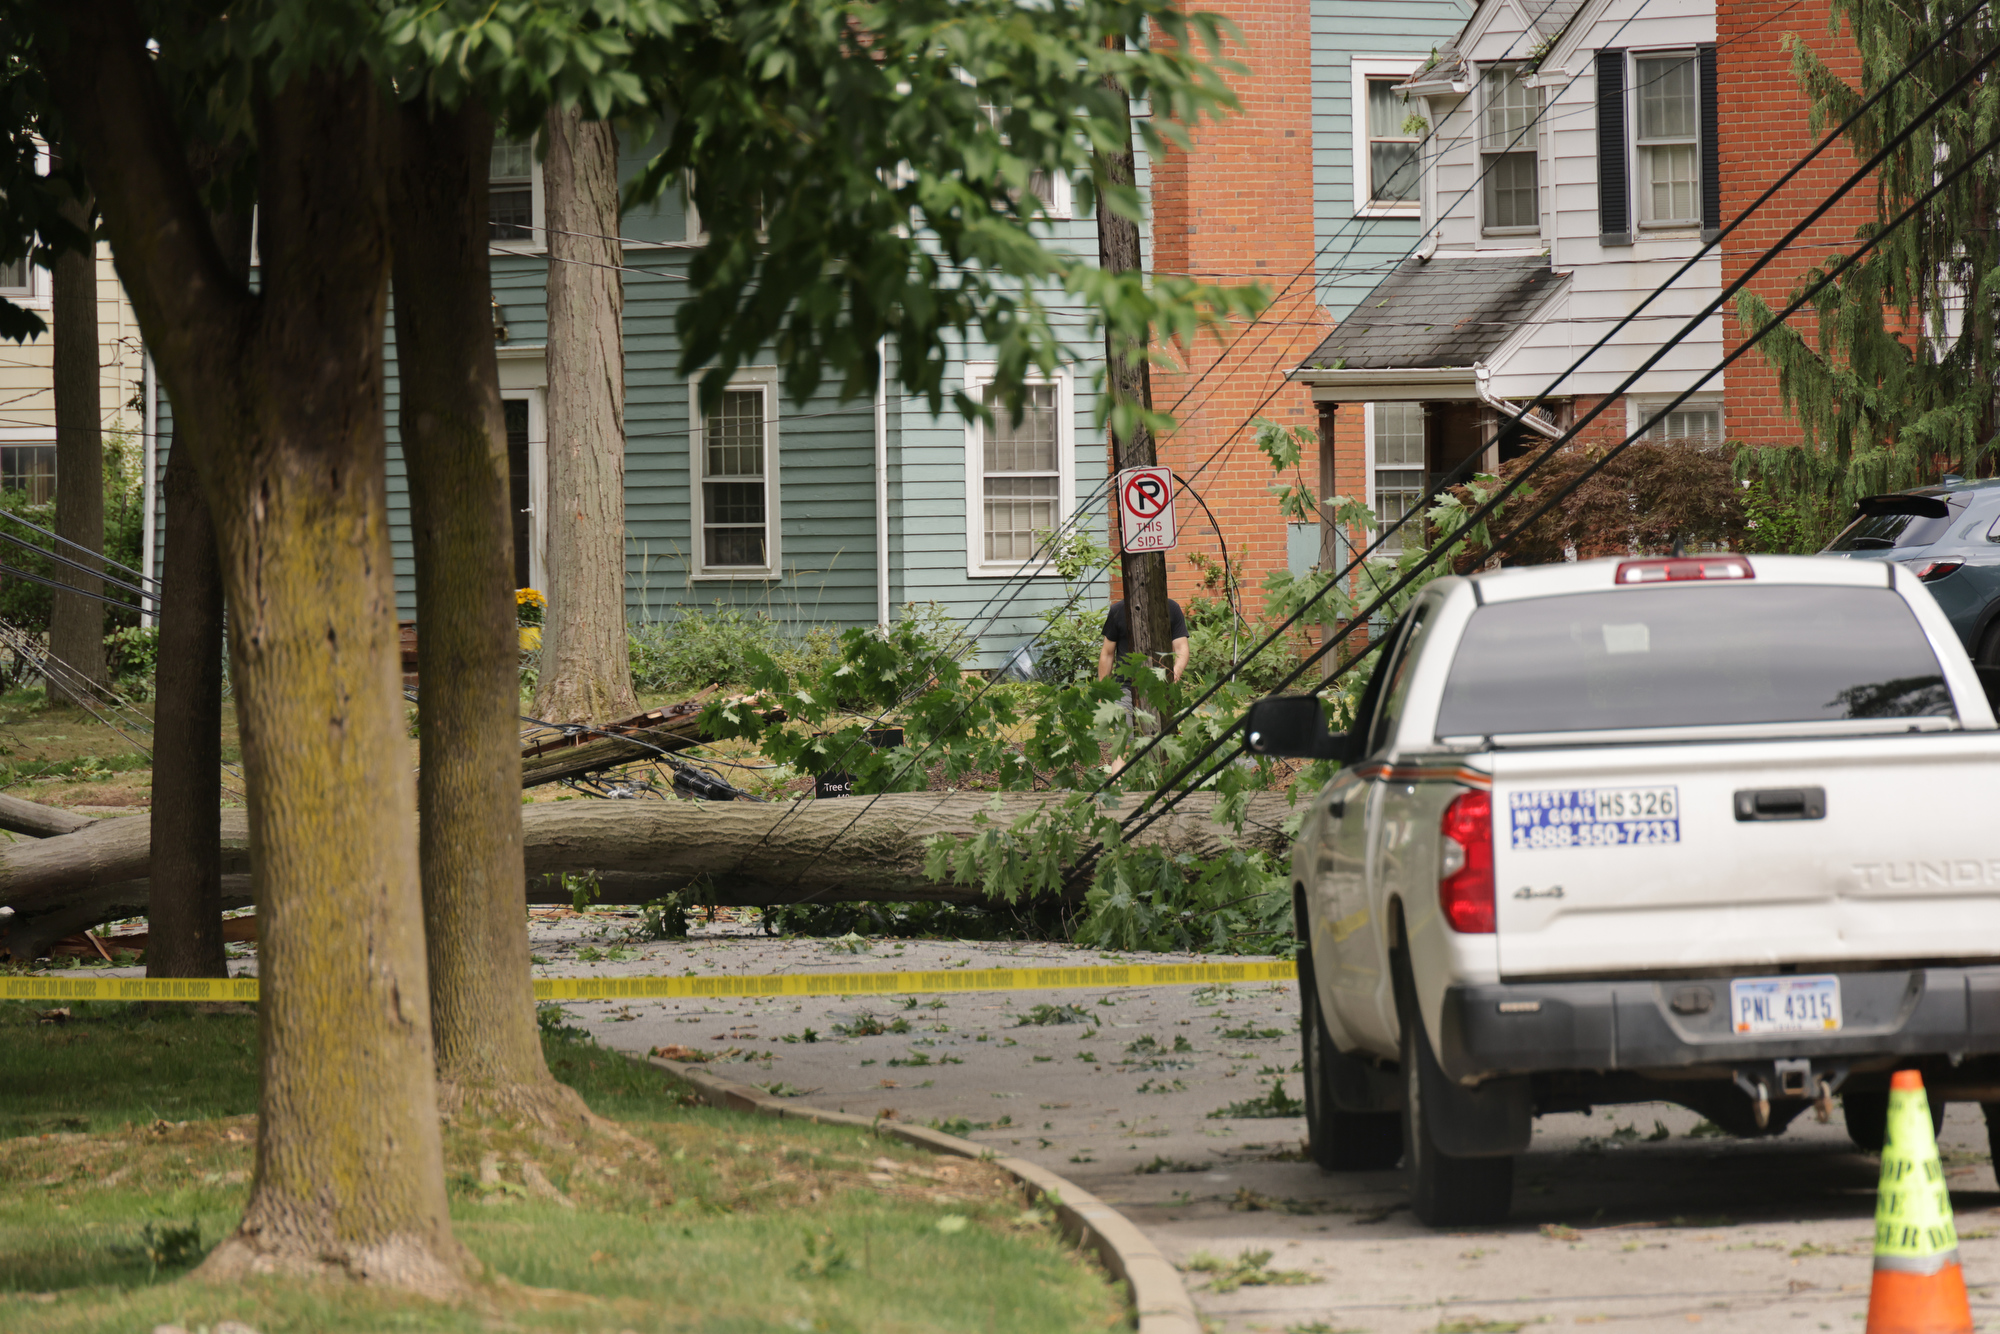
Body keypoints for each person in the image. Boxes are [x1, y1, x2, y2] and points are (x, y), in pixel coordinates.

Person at [1097, 597, 1191, 686]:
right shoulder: (1118, 610)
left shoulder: (1171, 608)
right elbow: (1107, 654)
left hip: (1161, 685)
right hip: (1126, 686)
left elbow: (1181, 647)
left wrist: (1176, 672)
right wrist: (1102, 691)